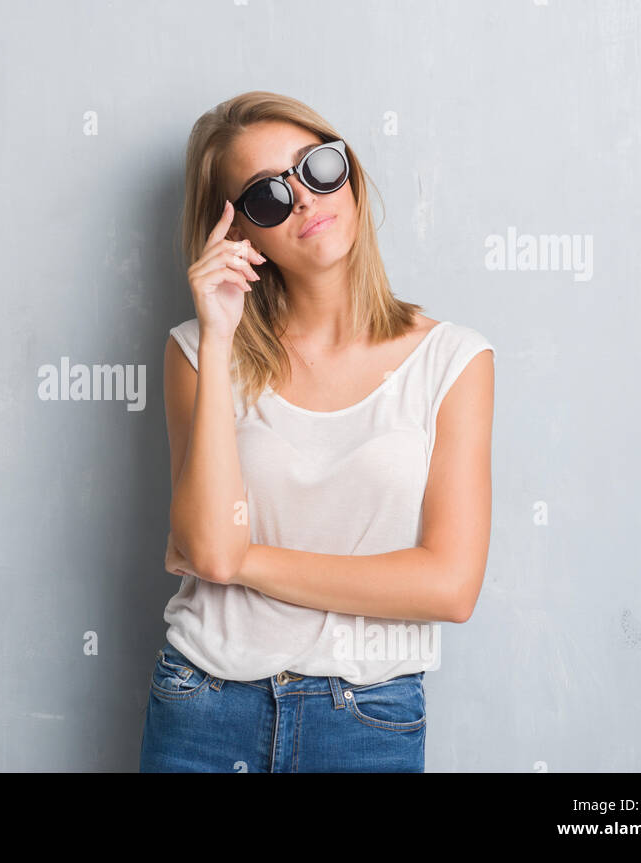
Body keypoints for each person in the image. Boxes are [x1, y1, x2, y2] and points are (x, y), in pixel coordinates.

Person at [139, 91, 496, 772]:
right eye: (268, 196)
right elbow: (209, 551)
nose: (303, 197)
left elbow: (450, 585)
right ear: (242, 235)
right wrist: (219, 333)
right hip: (204, 708)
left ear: (351, 174)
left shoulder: (454, 361)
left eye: (318, 166)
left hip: (367, 719)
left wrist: (245, 561)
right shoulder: (197, 352)